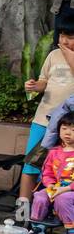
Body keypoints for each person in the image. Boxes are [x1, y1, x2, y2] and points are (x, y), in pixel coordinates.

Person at [21, 18, 74, 206]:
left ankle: (54, 209)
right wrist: (36, 85)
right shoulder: (53, 55)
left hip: (68, 126)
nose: (64, 41)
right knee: (31, 164)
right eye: (62, 36)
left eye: (70, 37)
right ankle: (23, 210)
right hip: (43, 119)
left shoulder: (66, 54)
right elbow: (45, 80)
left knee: (63, 168)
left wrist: (67, 53)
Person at [31, 111, 74, 234]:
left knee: (63, 199)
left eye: (73, 130)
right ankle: (36, 227)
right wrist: (49, 185)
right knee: (40, 196)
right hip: (56, 187)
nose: (68, 133)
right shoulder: (54, 152)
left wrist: (66, 188)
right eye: (64, 128)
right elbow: (47, 172)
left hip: (70, 190)